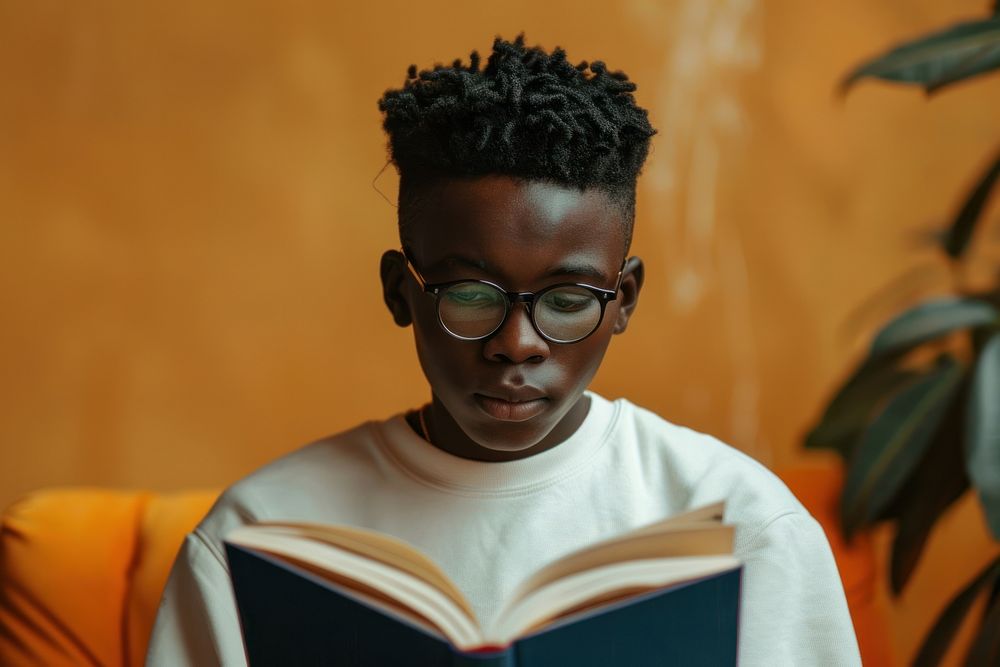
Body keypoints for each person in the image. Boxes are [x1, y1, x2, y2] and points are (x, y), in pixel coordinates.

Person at [146, 34, 861, 666]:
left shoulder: (741, 525)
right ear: (401, 291)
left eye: (568, 301)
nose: (516, 344)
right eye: (471, 295)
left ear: (625, 301)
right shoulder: (259, 538)